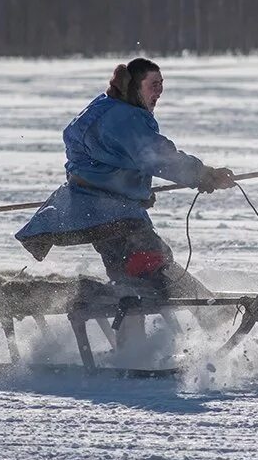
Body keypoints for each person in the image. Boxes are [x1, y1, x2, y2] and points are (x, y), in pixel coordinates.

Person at [16, 58, 237, 301]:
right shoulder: (124, 117)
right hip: (110, 213)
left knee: (131, 275)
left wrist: (133, 191)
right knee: (152, 262)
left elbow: (104, 163)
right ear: (134, 86)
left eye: (162, 84)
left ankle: (130, 324)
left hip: (98, 209)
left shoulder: (106, 107)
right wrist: (205, 174)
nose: (160, 92)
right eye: (153, 84)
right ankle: (213, 315)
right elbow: (156, 156)